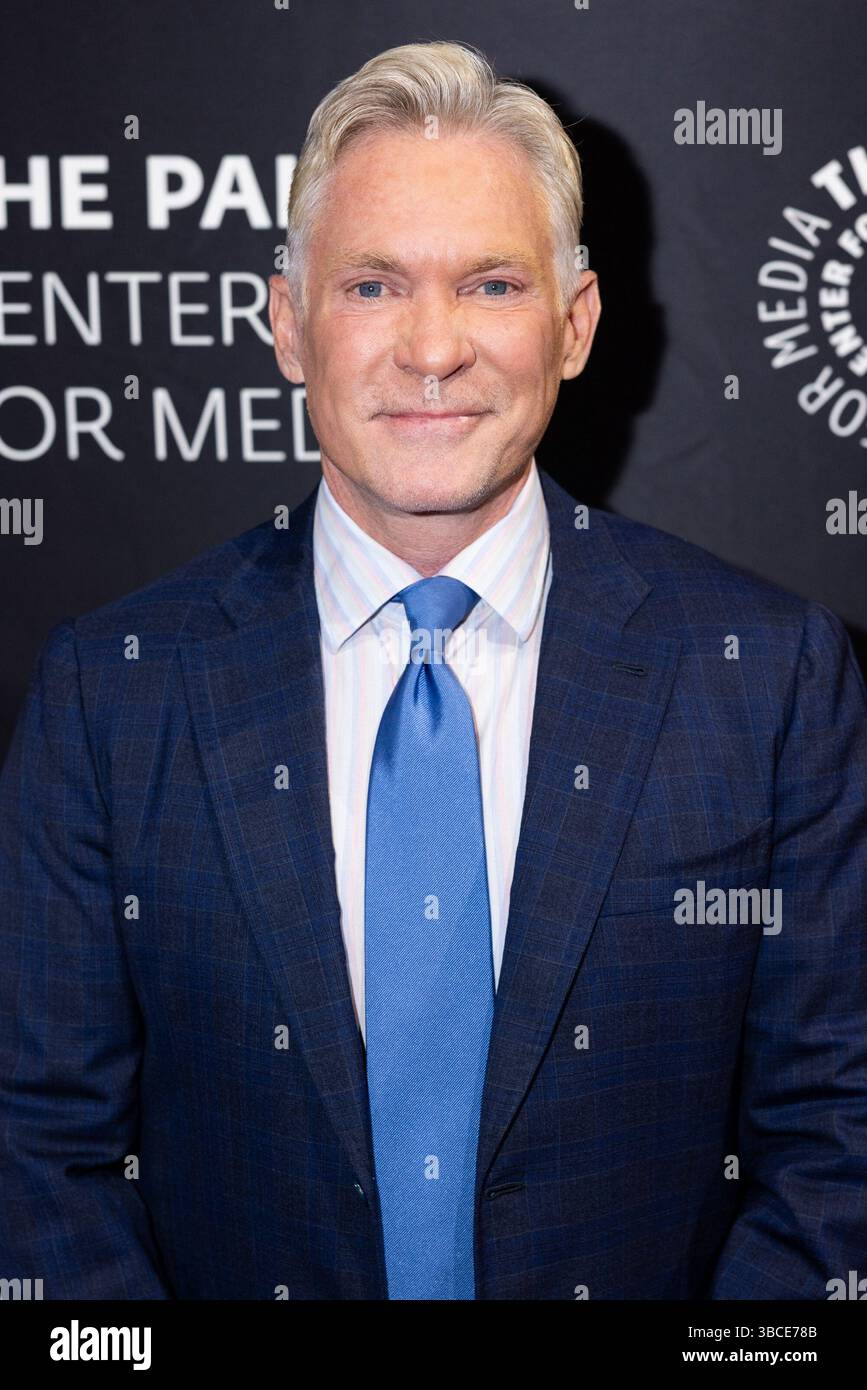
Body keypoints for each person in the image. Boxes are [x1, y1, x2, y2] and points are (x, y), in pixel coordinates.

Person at [1, 40, 866, 1302]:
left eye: (493, 284)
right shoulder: (110, 692)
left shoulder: (771, 680)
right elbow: (38, 1156)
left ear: (573, 326)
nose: (432, 348)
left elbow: (838, 1141)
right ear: (286, 324)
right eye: (370, 286)